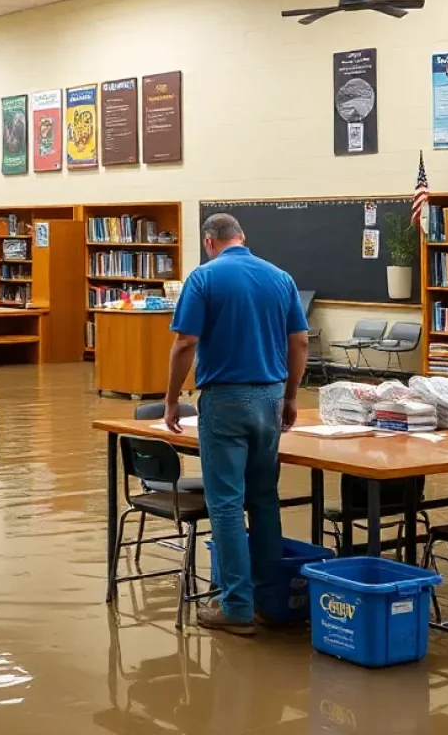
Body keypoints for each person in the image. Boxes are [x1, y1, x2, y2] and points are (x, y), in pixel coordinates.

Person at [165, 213, 309, 637]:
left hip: (225, 400)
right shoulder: (281, 278)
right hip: (271, 398)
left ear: (209, 241)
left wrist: (171, 399)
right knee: (264, 499)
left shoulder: (204, 278)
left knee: (227, 503)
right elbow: (300, 341)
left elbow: (186, 342)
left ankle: (236, 606)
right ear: (242, 237)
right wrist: (291, 396)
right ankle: (270, 603)